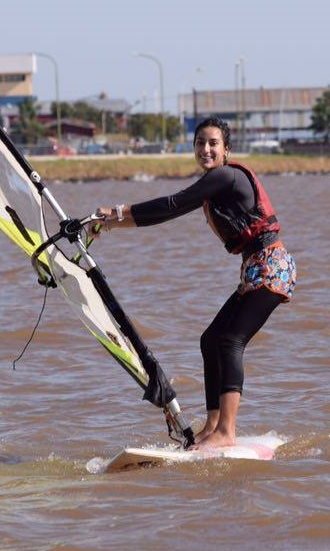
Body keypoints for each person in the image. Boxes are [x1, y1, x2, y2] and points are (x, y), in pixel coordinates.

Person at [97, 116, 296, 450]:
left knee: (230, 340)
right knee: (211, 339)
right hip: (256, 269)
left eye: (213, 143)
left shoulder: (225, 177)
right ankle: (213, 425)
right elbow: (166, 211)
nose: (206, 149)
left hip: (271, 268)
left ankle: (226, 432)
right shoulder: (215, 183)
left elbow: (171, 206)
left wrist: (117, 213)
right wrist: (113, 224)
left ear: (226, 150)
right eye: (200, 143)